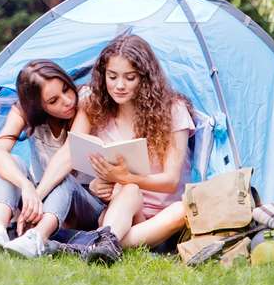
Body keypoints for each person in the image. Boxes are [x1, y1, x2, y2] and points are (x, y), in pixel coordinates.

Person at [72, 32, 194, 251]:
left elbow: (171, 181)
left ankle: (96, 244)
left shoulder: (174, 110)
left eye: (130, 78)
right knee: (128, 190)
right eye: (112, 76)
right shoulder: (100, 111)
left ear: (145, 78)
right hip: (121, 212)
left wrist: (126, 177)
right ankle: (106, 244)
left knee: (182, 209)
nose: (120, 85)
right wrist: (96, 185)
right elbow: (80, 163)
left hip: (161, 219)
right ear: (103, 75)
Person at [0, 59, 107, 258]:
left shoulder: (85, 100)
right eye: (53, 101)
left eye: (66, 89)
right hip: (45, 200)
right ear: (37, 106)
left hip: (87, 203)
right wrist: (25, 185)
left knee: (64, 178)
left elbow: (68, 155)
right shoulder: (23, 112)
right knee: (13, 165)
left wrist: (36, 196)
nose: (67, 100)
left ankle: (36, 238)